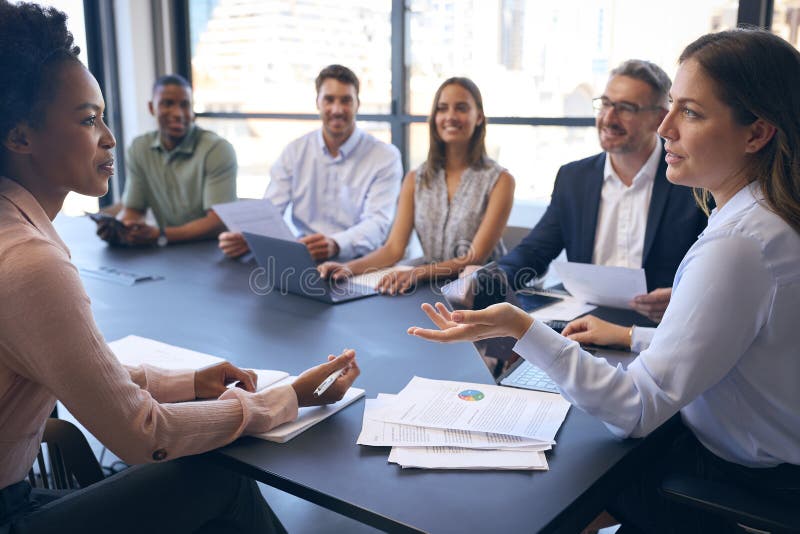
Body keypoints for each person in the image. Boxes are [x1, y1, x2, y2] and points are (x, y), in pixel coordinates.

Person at [408, 28, 800, 533]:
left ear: (756, 133)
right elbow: (733, 341)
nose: (666, 129)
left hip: (743, 478)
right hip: (758, 453)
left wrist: (521, 328)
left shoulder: (739, 245)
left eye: (691, 112)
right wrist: (630, 336)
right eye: (672, 107)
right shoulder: (770, 216)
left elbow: (634, 410)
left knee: (545, 488)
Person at [0, 3, 359, 531]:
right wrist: (285, 399)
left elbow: (81, 370)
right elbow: (144, 434)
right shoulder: (31, 263)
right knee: (219, 478)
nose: (109, 137)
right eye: (86, 119)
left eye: (103, 116)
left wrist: (189, 381)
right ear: (20, 136)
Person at [497, 60, 707, 322]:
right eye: (606, 104)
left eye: (625, 108)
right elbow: (534, 252)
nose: (608, 118)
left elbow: (711, 272)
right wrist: (487, 279)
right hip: (583, 324)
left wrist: (681, 295)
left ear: (660, 118)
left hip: (659, 328)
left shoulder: (691, 184)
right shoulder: (574, 178)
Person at [318, 77, 514, 295]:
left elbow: (473, 258)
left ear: (478, 117)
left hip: (481, 294)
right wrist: (348, 267)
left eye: (461, 108)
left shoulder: (500, 180)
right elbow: (393, 249)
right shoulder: (416, 178)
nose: (450, 116)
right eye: (442, 108)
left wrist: (417, 272)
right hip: (430, 289)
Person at [218, 65, 402, 261]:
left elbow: (378, 223)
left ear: (358, 104)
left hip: (362, 262)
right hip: (304, 257)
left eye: (346, 100)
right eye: (329, 100)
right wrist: (248, 237)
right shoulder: (295, 152)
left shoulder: (385, 157)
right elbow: (271, 210)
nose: (337, 109)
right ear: (318, 102)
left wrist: (335, 244)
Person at [99, 74, 237, 247]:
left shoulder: (217, 149)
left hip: (212, 249)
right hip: (169, 248)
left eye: (185, 105)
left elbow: (218, 221)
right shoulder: (139, 147)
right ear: (152, 108)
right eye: (168, 103)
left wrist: (161, 235)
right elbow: (134, 210)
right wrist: (122, 230)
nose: (178, 113)